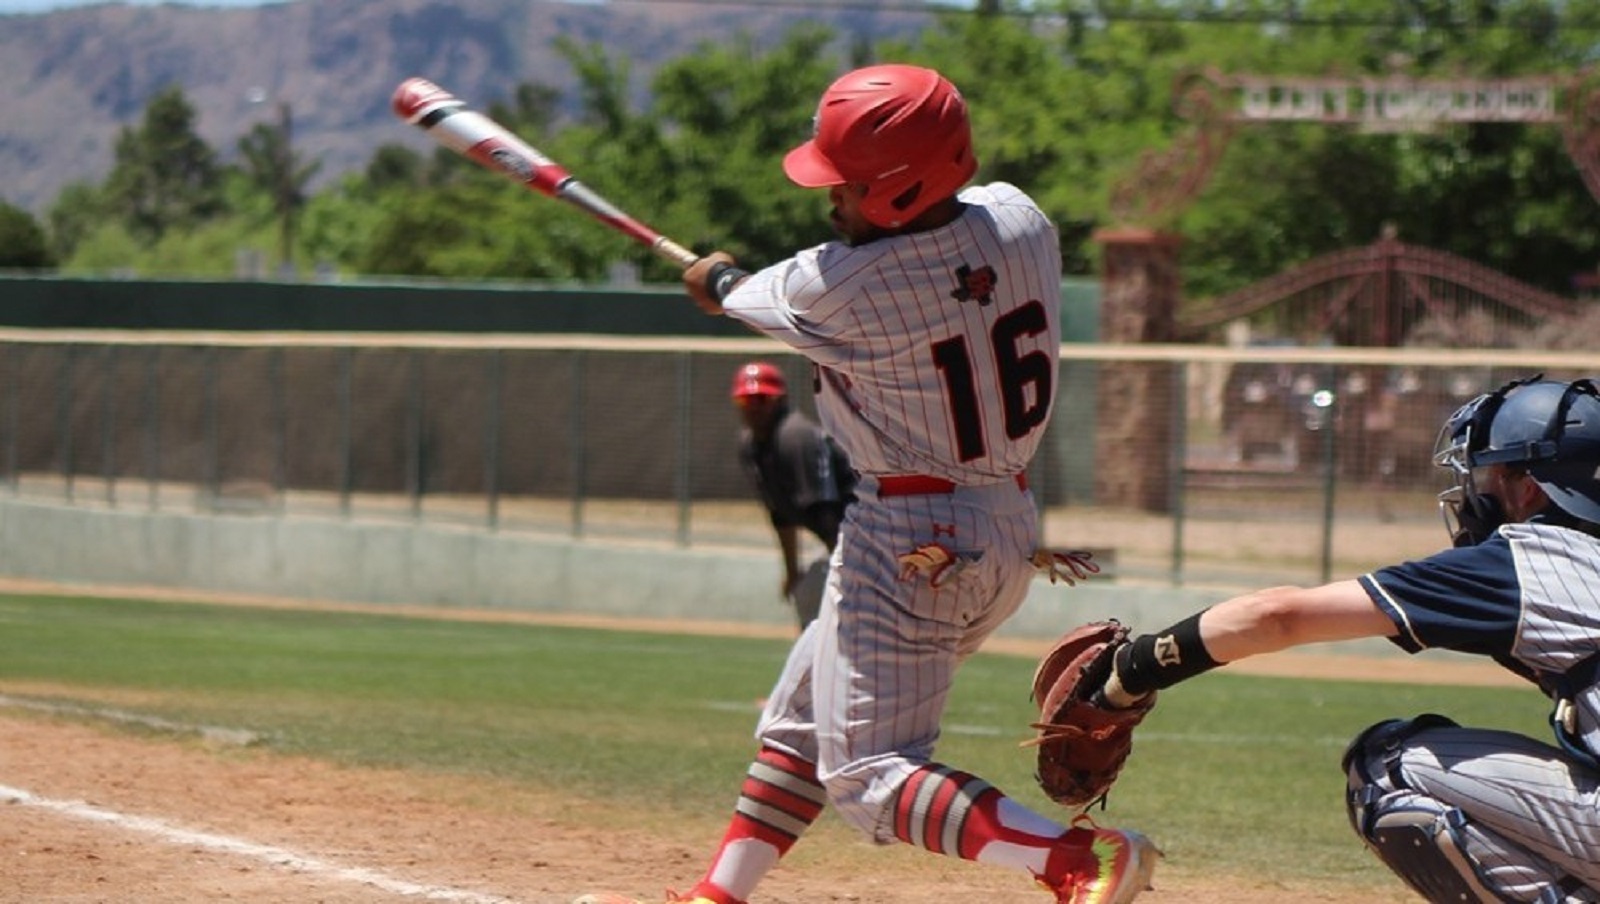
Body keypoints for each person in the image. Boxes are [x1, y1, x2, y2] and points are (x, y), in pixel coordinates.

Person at [576, 63, 1157, 904]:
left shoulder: (841, 289)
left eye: (846, 186)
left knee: (869, 774)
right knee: (803, 725)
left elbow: (734, 294)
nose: (831, 200)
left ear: (901, 187)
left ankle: (1076, 860)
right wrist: (733, 286)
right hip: (1002, 524)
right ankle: (718, 896)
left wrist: (718, 282)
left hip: (913, 539)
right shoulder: (1021, 218)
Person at [1082, 374, 1600, 902]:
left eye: (1492, 473)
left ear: (1530, 486)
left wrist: (1134, 670)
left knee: (1387, 766)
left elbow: (1278, 617)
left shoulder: (1528, 561)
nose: (1477, 489)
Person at [730, 360, 855, 633]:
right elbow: (780, 514)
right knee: (808, 594)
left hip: (862, 532)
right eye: (745, 401)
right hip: (840, 537)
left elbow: (827, 513)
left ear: (779, 400)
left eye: (761, 399)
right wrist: (791, 570)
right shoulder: (751, 446)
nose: (753, 408)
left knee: (818, 599)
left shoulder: (794, 438)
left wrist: (847, 571)